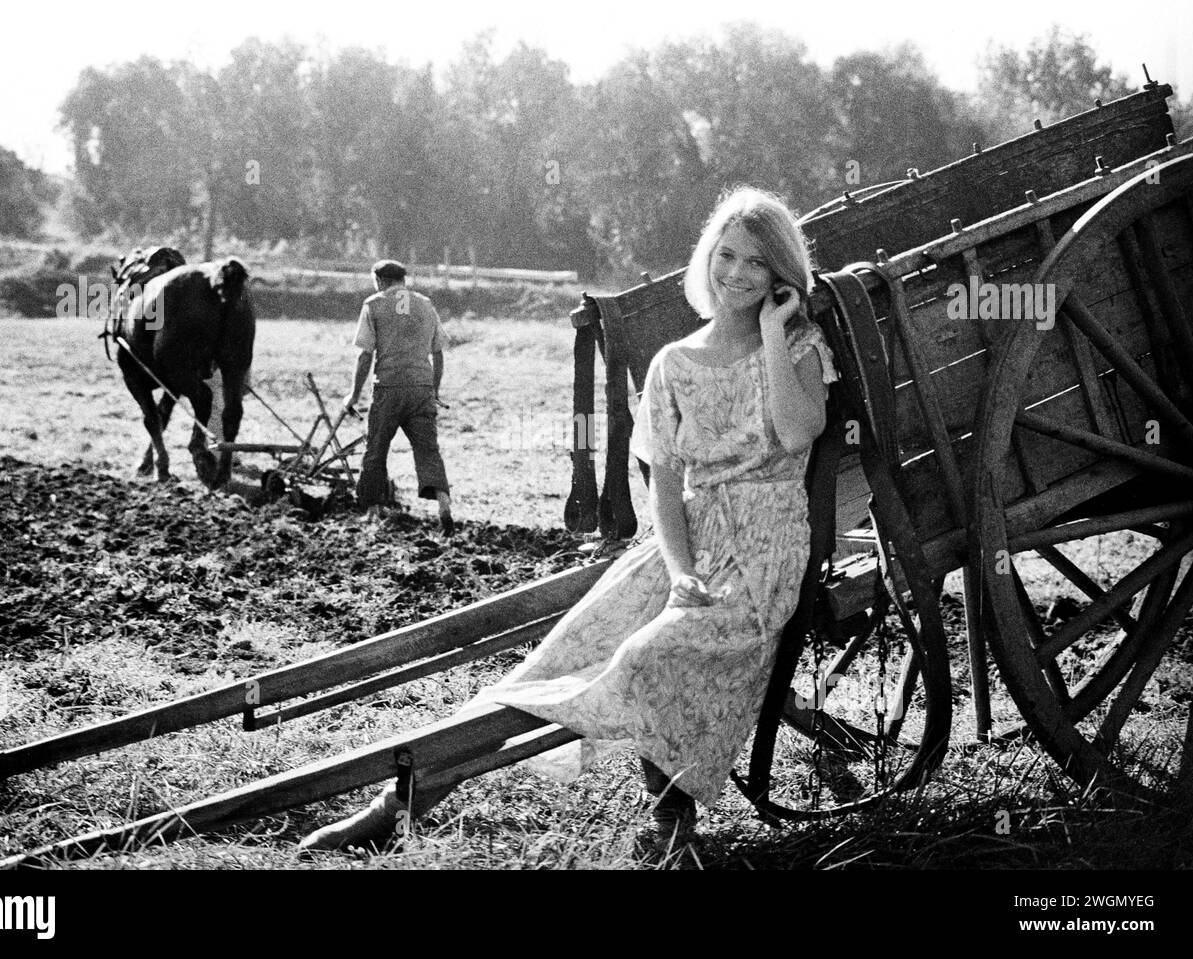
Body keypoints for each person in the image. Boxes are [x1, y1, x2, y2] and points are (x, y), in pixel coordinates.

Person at [302, 187, 837, 854]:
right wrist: (678, 573)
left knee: (652, 652)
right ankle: (398, 800)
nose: (737, 274)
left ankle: (672, 823)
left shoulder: (797, 346)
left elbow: (797, 432)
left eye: (758, 264)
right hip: (685, 546)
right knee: (550, 665)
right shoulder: (674, 364)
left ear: (780, 273)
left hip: (763, 551)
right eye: (726, 256)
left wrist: (768, 333)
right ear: (707, 259)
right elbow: (666, 491)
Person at [343, 259, 454, 535]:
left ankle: (371, 511)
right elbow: (438, 353)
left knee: (376, 449)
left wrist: (353, 395)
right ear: (402, 280)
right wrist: (435, 391)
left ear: (379, 280)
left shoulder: (373, 304)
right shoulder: (425, 304)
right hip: (421, 390)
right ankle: (444, 507)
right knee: (428, 451)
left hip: (388, 390)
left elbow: (365, 354)